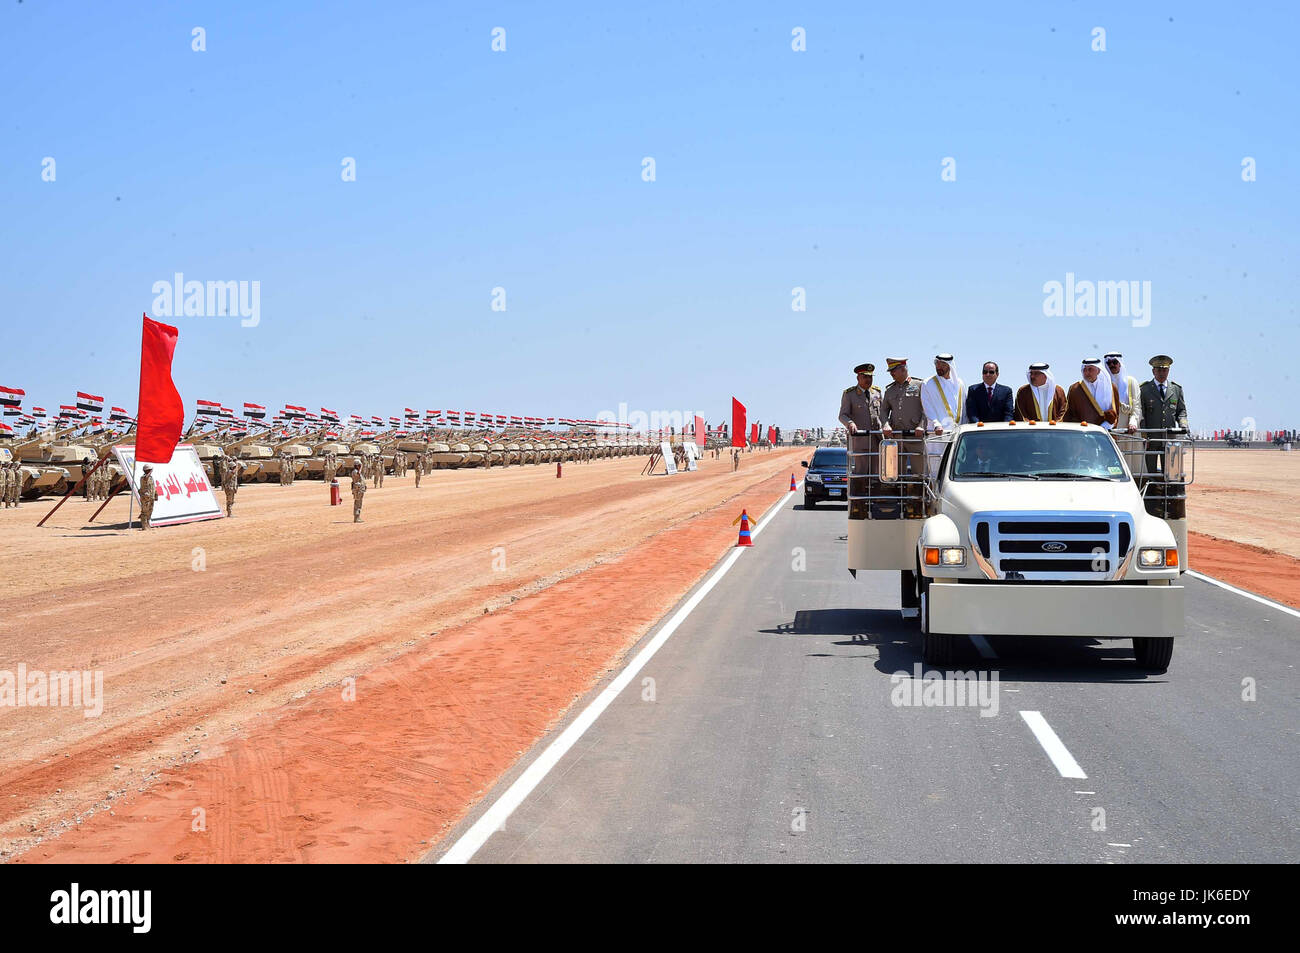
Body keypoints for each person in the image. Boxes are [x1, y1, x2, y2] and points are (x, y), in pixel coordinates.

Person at [881, 357, 928, 517]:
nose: (891, 374)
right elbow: (883, 411)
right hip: (897, 438)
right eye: (891, 372)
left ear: (903, 369)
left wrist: (922, 425)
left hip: (915, 437)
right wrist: (885, 424)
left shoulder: (920, 386)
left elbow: (927, 409)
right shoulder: (890, 390)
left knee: (918, 473)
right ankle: (898, 506)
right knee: (895, 473)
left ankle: (918, 506)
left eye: (894, 371)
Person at [838, 362, 883, 516]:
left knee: (878, 475)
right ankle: (860, 506)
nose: (868, 380)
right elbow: (842, 415)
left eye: (870, 377)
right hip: (860, 441)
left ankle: (877, 505)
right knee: (862, 475)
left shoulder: (877, 392)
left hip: (877, 441)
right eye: (865, 377)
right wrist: (850, 423)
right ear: (858, 377)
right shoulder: (849, 394)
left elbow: (882, 414)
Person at [1139, 354, 1189, 476]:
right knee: (1149, 472)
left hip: (1170, 438)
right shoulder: (1144, 389)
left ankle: (1170, 492)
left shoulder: (1176, 389)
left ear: (1168, 370)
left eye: (1164, 370)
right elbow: (1141, 414)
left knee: (1172, 472)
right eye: (1159, 370)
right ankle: (1150, 492)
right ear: (1153, 371)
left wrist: (1183, 425)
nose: (1162, 373)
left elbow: (1181, 411)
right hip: (1151, 439)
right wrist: (1144, 435)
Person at [1064, 358, 1119, 427]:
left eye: (1090, 369)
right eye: (1085, 370)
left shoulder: (1110, 387)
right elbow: (1070, 413)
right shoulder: (1075, 389)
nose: (1087, 373)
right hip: (1083, 432)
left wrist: (1107, 425)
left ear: (1098, 371)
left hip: (1106, 431)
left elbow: (1116, 412)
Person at [1103, 352, 1143, 434]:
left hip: (1128, 429)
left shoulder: (1131, 382)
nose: (1112, 365)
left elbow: (1137, 407)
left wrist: (1133, 422)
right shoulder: (1103, 384)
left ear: (1120, 364)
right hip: (1109, 428)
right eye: (1108, 363)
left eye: (1114, 362)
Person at [138, 464, 157, 530]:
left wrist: (155, 494)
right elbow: (146, 478)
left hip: (151, 497)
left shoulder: (151, 478)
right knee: (144, 512)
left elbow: (153, 487)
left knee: (150, 511)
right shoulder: (143, 478)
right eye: (149, 470)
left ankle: (148, 524)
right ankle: (144, 526)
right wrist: (150, 472)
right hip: (145, 498)